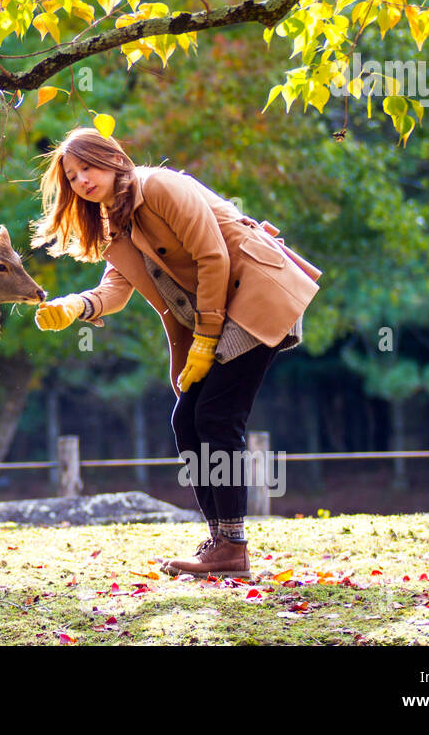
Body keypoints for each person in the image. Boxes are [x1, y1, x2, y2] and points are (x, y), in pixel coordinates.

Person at [29, 126, 323, 579]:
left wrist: (205, 340)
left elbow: (213, 257)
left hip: (255, 294)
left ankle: (231, 546)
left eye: (87, 166)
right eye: (71, 176)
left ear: (111, 158)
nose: (81, 180)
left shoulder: (157, 187)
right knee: (186, 420)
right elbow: (117, 287)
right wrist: (77, 306)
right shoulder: (115, 221)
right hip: (218, 312)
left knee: (217, 419)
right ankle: (221, 542)